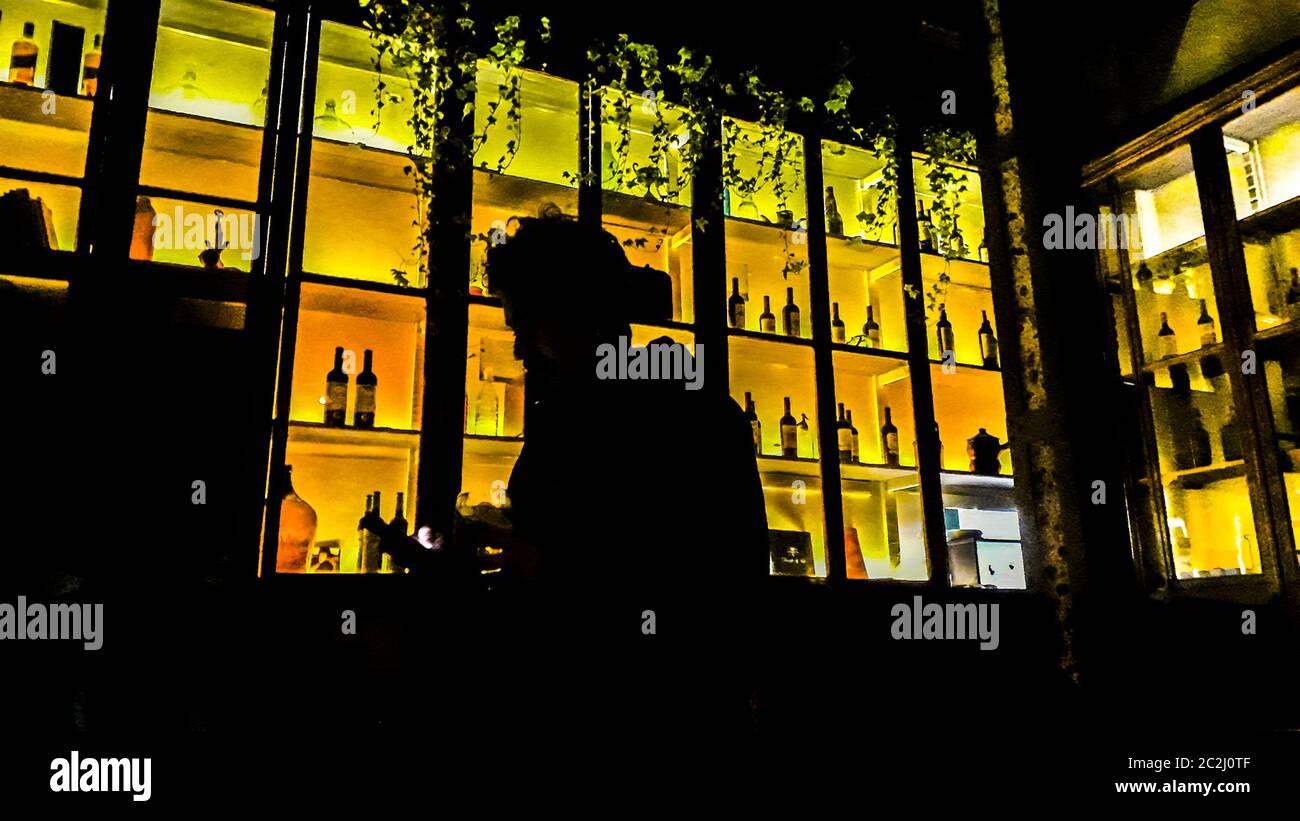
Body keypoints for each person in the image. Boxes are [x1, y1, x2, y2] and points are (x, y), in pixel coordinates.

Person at [375, 209, 769, 740]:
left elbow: (702, 592)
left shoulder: (669, 413)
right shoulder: (619, 406)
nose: (520, 349)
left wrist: (525, 560)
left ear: (576, 309)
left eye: (526, 324)